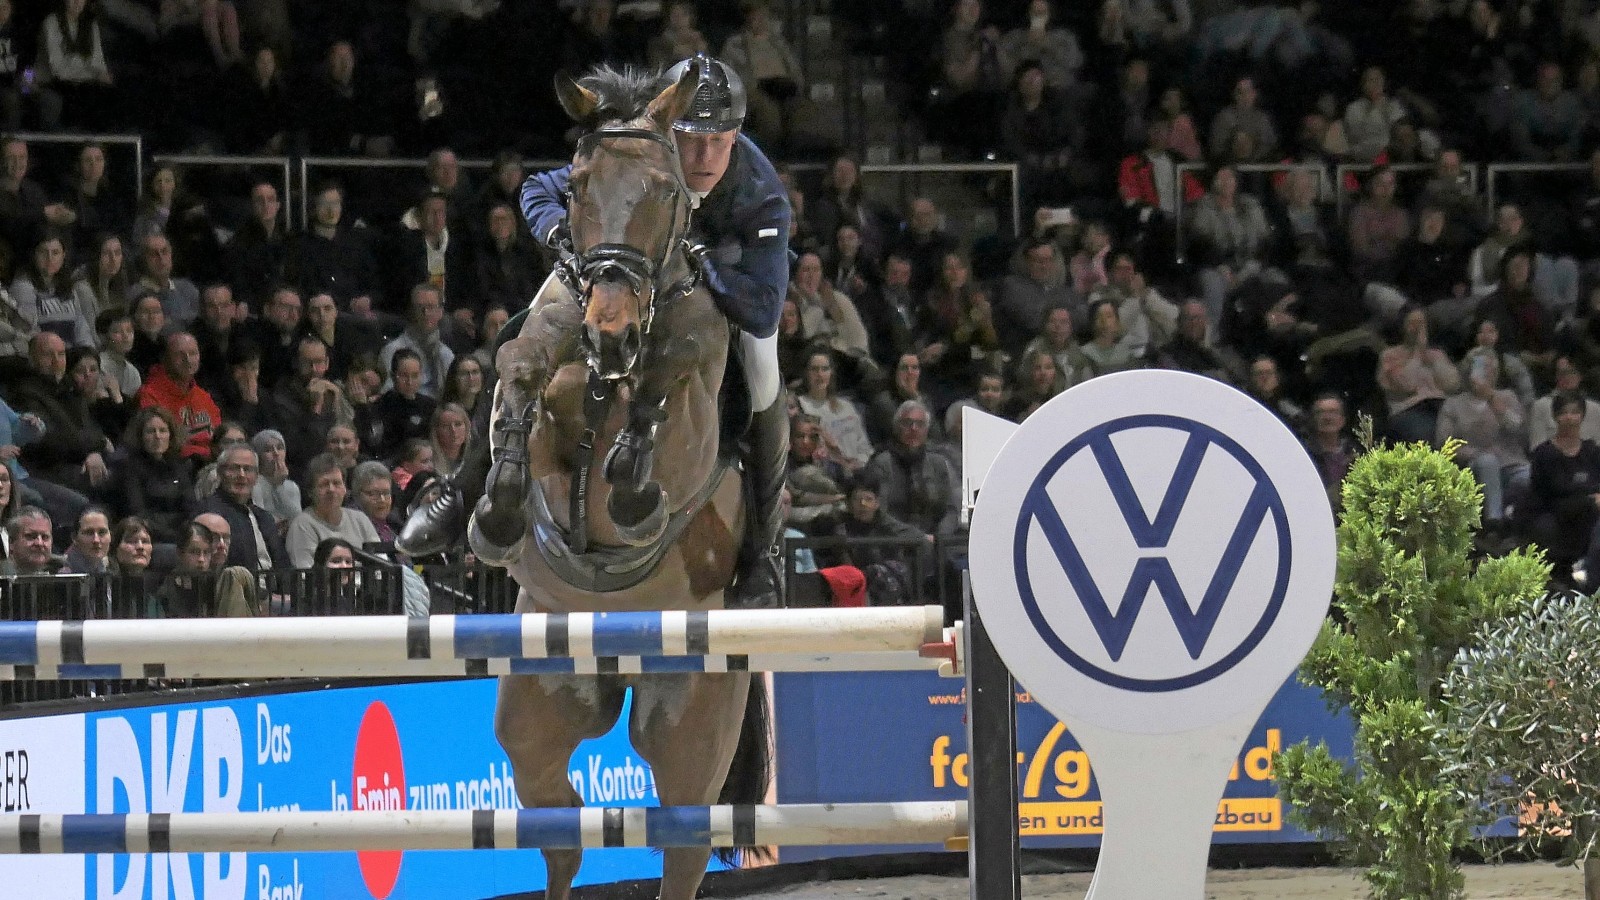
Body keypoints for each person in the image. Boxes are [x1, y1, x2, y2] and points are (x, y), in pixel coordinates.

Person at [402, 55, 794, 608]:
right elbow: (540, 191)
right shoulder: (634, 153)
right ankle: (461, 492)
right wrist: (563, 235)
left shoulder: (760, 192)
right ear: (667, 124)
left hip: (716, 298)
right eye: (691, 138)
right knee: (522, 331)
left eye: (720, 140)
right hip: (619, 281)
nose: (704, 156)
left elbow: (760, 306)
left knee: (764, 377)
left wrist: (699, 258)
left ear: (737, 136)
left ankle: (762, 550)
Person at [198, 443, 287, 573]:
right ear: (220, 473)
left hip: (274, 591)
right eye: (234, 468)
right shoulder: (208, 512)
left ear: (257, 477)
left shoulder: (264, 517)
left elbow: (283, 564)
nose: (241, 475)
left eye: (248, 469)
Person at [113, 407, 193, 544]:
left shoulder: (180, 466)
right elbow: (138, 513)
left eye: (163, 431)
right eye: (151, 431)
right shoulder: (129, 468)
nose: (157, 436)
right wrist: (176, 537)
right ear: (140, 436)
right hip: (145, 538)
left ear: (171, 435)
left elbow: (190, 507)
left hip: (179, 536)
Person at [286, 453, 379, 568]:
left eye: (336, 483)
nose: (331, 489)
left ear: (345, 489)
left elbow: (381, 563)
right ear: (310, 492)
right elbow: (306, 573)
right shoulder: (302, 525)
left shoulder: (360, 519)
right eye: (324, 484)